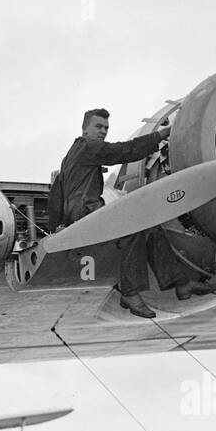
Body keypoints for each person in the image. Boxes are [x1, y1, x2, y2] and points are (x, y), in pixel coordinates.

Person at [56, 109, 172, 318]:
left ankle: (179, 282)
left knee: (149, 226)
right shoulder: (88, 147)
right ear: (85, 129)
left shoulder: (70, 155)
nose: (103, 132)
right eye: (98, 127)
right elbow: (126, 151)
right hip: (86, 212)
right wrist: (162, 134)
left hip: (80, 213)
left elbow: (57, 192)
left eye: (106, 128)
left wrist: (57, 226)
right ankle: (130, 293)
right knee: (132, 230)